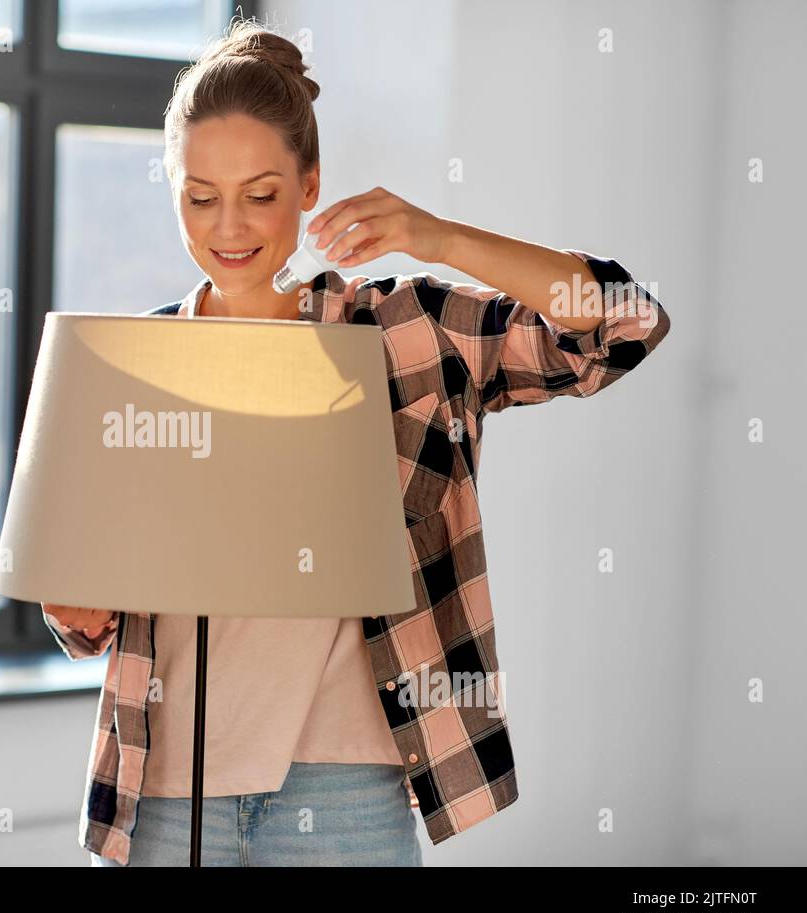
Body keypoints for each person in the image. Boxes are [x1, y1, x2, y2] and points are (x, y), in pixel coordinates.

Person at [44, 16, 670, 867]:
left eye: (261, 193)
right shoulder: (137, 363)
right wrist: (73, 610)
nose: (230, 226)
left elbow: (625, 323)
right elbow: (92, 620)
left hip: (344, 793)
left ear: (310, 186)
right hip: (163, 792)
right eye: (200, 196)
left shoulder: (402, 331)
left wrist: (442, 239)